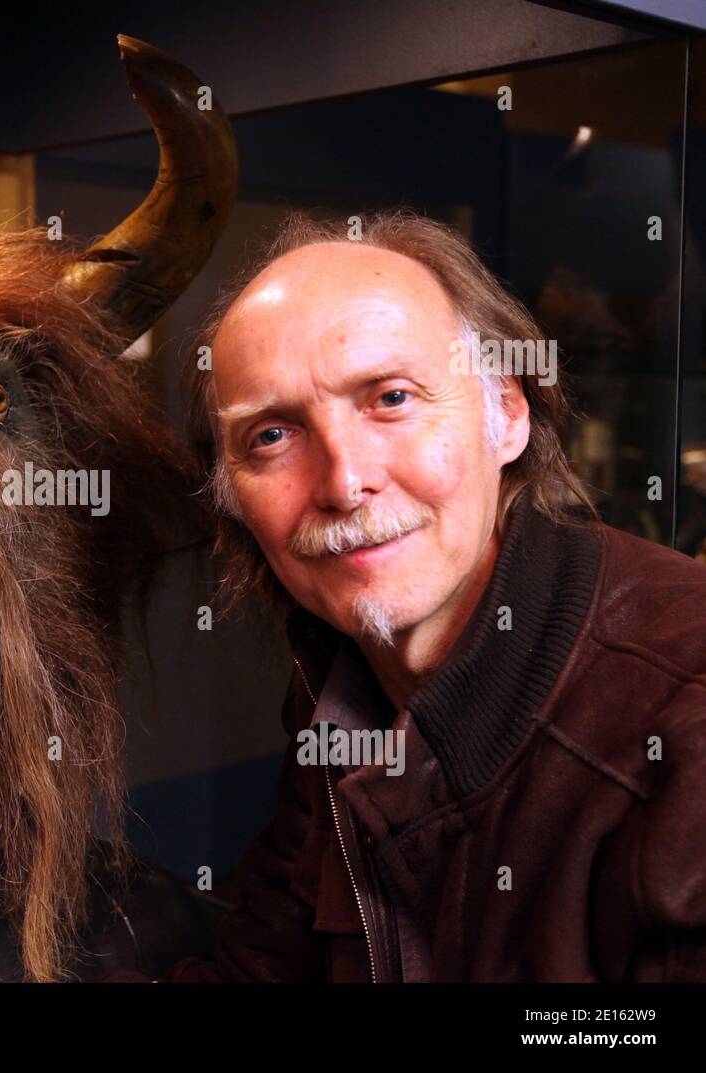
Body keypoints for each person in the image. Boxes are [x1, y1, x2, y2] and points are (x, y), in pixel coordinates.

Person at [115, 209, 706, 982]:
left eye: (391, 398)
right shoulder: (342, 686)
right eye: (271, 436)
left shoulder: (683, 721)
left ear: (509, 412)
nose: (343, 480)